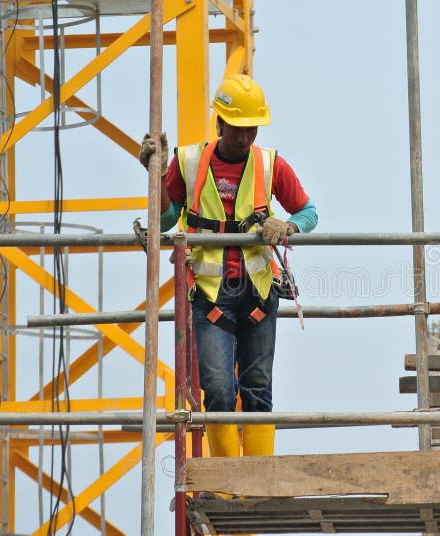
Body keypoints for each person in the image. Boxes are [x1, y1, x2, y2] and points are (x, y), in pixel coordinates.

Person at [139, 74, 318, 458]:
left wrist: (286, 225)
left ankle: (256, 481)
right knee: (218, 388)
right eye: (237, 128)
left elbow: (309, 212)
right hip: (209, 294)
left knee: (257, 386)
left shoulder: (270, 165)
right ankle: (225, 483)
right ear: (219, 122)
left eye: (251, 128)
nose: (244, 137)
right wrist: (154, 176)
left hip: (258, 291)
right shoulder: (188, 162)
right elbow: (166, 221)